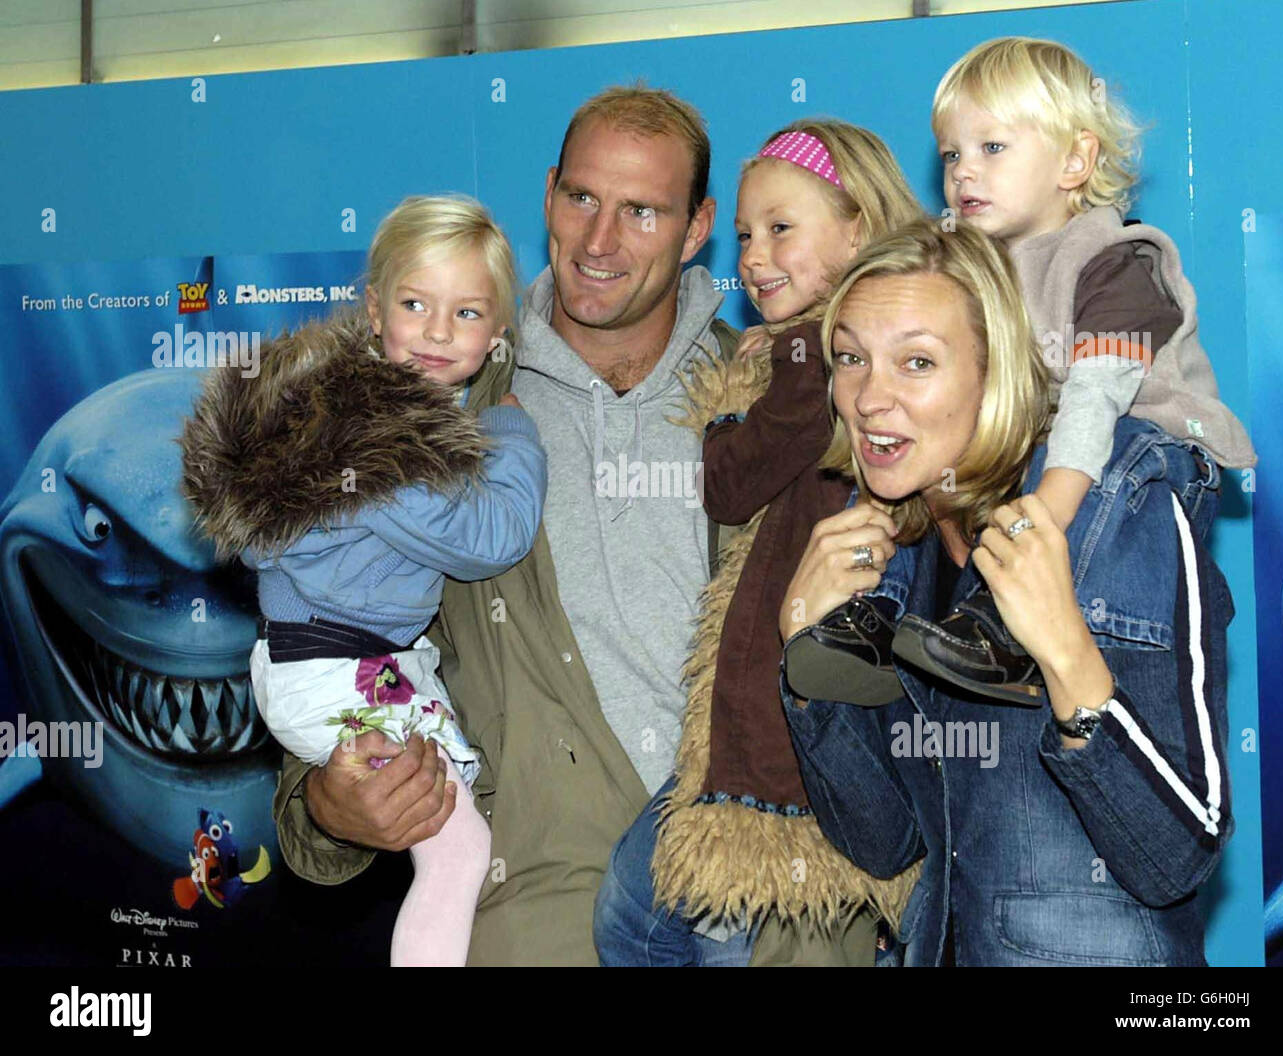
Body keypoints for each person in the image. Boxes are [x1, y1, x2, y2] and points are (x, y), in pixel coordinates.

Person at [266, 86, 870, 966]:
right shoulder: (434, 402)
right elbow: (321, 628)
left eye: (642, 211)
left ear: (698, 228)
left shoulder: (798, 392)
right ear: (546, 194)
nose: (600, 240)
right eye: (582, 198)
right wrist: (326, 808)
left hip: (782, 923)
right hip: (539, 916)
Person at [780, 217, 1234, 965]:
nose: (868, 399)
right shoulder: (906, 552)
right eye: (851, 358)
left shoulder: (1118, 503)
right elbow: (885, 841)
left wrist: (1063, 652)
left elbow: (1178, 856)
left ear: (997, 371)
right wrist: (801, 652)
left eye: (916, 362)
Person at [180, 195, 546, 965]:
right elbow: (491, 536)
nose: (440, 332)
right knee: (455, 854)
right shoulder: (373, 441)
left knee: (455, 849)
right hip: (340, 672)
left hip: (346, 664)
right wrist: (511, 428)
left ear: (500, 331)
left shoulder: (347, 406)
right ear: (375, 310)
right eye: (417, 304)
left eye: (468, 312)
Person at [835, 36, 1254, 705]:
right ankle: (867, 615)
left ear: (1075, 160)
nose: (963, 173)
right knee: (899, 430)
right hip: (1053, 442)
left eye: (992, 148)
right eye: (951, 155)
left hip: (1154, 456)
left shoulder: (1115, 263)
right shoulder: (978, 268)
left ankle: (1001, 624)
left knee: (1112, 447)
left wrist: (1038, 519)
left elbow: (1093, 402)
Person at [593, 120, 923, 966]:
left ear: (858, 228)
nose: (756, 252)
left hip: (805, 717)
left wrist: (792, 360)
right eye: (744, 234)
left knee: (678, 929)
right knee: (635, 918)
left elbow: (732, 477)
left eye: (783, 226)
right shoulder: (789, 352)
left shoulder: (829, 353)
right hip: (749, 705)